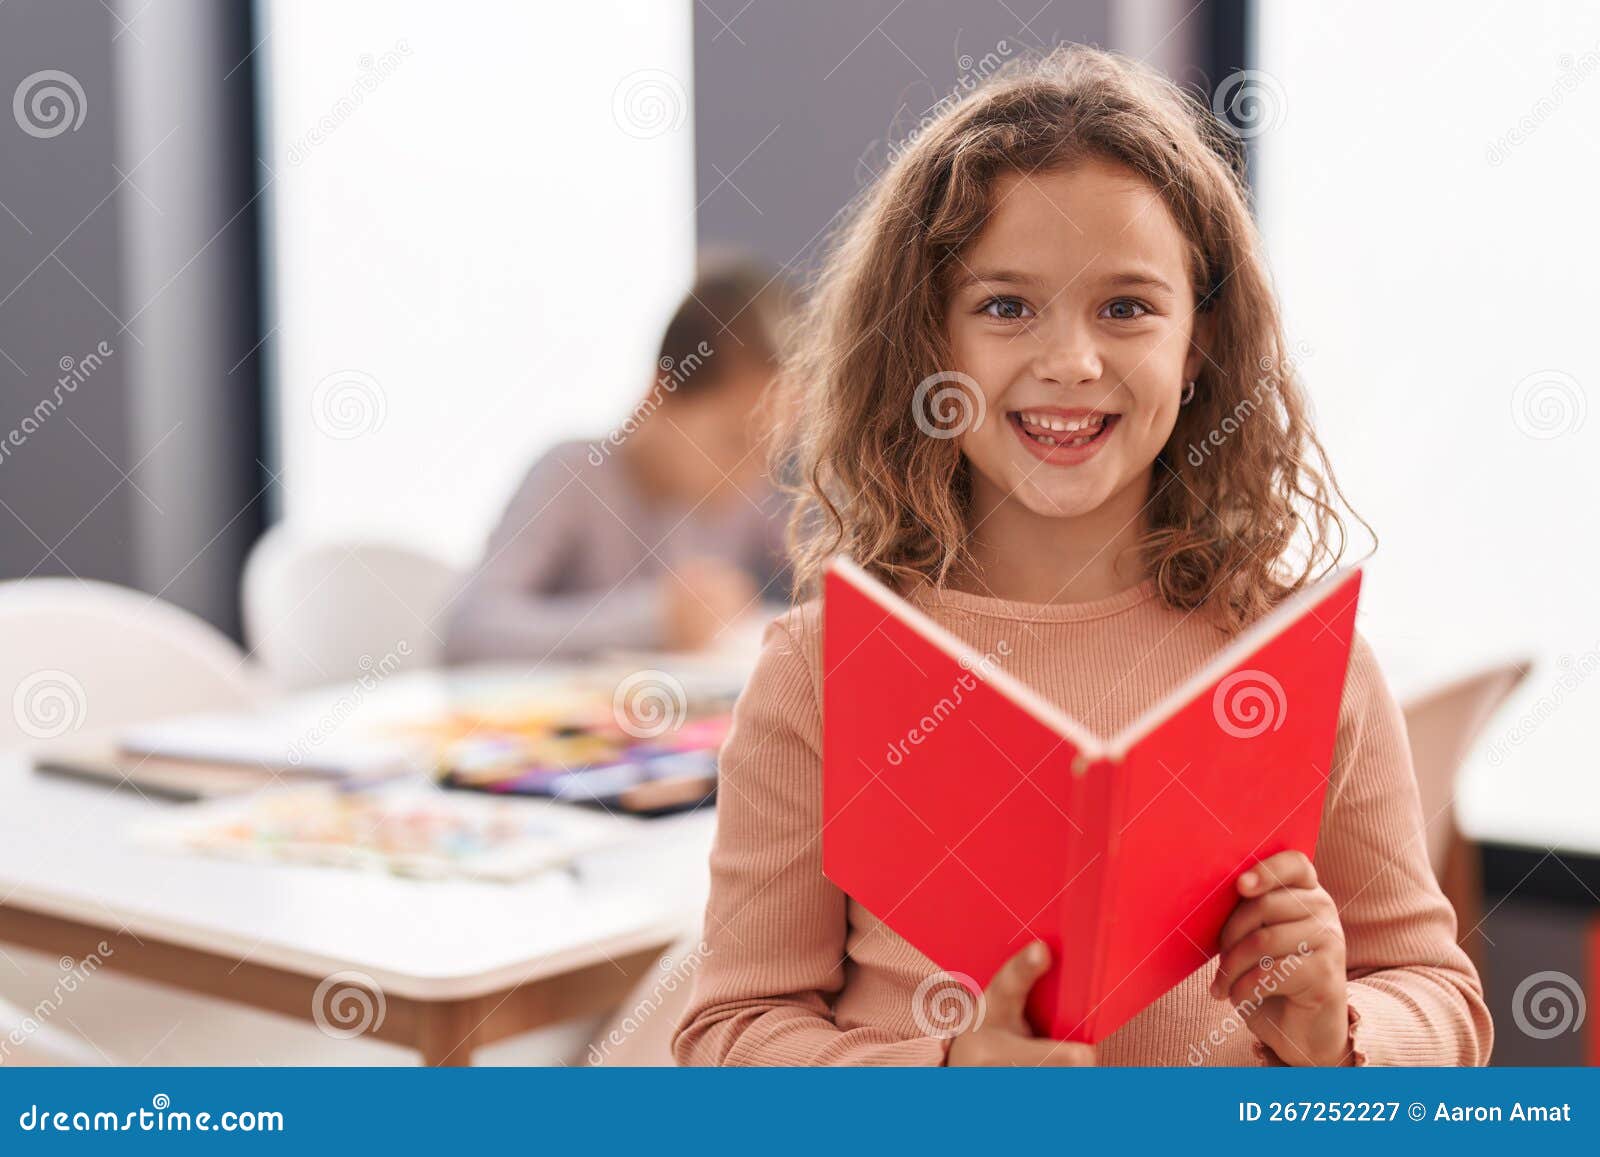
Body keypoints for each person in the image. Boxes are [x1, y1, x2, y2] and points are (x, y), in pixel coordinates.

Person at [672, 46, 1492, 1066]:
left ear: (1199, 346)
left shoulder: (1297, 663)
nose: (1070, 362)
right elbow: (730, 1038)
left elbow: (1439, 996)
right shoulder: (819, 671)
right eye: (1005, 306)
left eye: (1127, 306)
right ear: (932, 342)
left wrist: (1343, 1032)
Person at [444, 253, 795, 663]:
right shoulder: (573, 474)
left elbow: (825, 572)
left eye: (772, 451)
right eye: (733, 442)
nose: (752, 475)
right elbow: (468, 633)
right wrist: (654, 619)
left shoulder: (741, 498)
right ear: (660, 392)